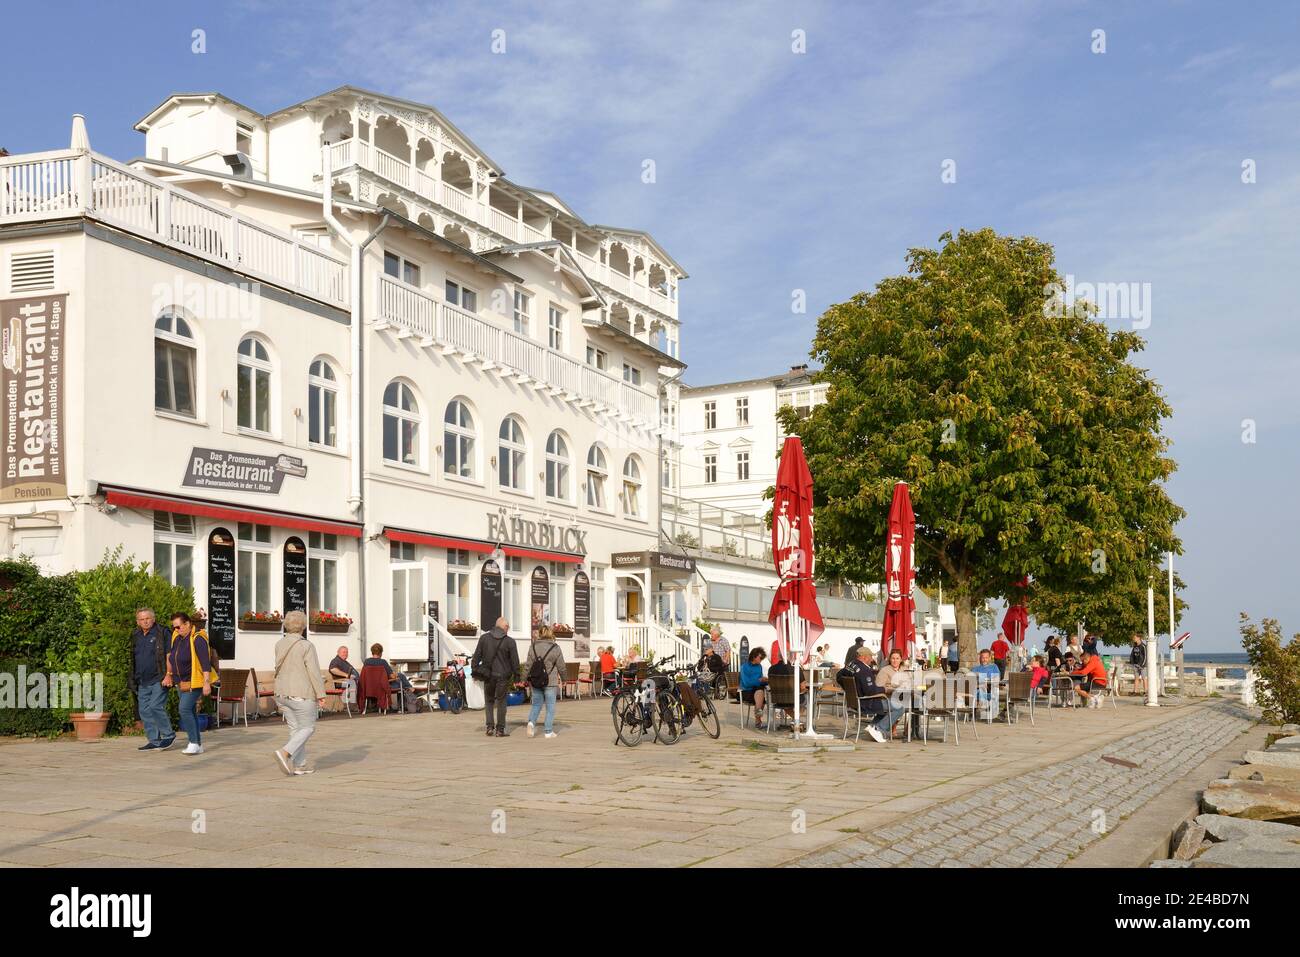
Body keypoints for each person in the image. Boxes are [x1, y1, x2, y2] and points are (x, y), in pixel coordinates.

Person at [272, 610, 325, 775]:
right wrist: (321, 694)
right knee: (308, 728)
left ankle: (299, 765)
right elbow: (314, 672)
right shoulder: (306, 645)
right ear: (303, 626)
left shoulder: (279, 644)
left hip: (282, 693)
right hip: (301, 693)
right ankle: (285, 752)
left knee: (296, 729)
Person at [164, 612, 212, 755]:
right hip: (181, 682)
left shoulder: (198, 639)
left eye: (178, 627)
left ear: (187, 623)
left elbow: (205, 663)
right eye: (174, 627)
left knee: (184, 709)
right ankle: (198, 745)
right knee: (190, 711)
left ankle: (193, 742)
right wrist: (170, 674)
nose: (176, 630)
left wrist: (206, 683)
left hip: (194, 681)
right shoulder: (177, 638)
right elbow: (172, 657)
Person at [131, 608, 176, 752]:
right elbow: (133, 658)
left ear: (153, 619)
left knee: (155, 705)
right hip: (142, 679)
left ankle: (168, 735)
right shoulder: (136, 634)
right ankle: (154, 741)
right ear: (137, 622)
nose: (145, 621)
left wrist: (169, 674)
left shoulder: (162, 632)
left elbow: (170, 654)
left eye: (147, 618)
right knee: (144, 710)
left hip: (159, 677)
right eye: (141, 619)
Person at [473, 617, 520, 737]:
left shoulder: (484, 638)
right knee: (501, 702)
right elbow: (515, 661)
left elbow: (477, 656)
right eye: (508, 627)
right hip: (503, 676)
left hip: (488, 675)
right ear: (504, 627)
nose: (508, 629)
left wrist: (475, 671)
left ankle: (489, 727)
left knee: (489, 701)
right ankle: (500, 730)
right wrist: (517, 677)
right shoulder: (510, 641)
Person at [845, 647, 901, 742]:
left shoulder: (850, 665)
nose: (872, 659)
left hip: (855, 701)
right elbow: (870, 691)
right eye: (870, 656)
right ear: (864, 657)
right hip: (867, 702)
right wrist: (884, 689)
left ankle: (872, 726)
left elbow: (838, 677)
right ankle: (878, 729)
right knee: (899, 707)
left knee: (890, 707)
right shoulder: (864, 670)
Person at [524, 625, 566, 739]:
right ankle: (548, 731)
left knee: (536, 704)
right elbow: (561, 666)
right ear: (550, 634)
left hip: (536, 680)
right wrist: (564, 679)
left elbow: (528, 665)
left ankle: (531, 723)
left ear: (540, 634)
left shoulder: (532, 647)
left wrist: (524, 679)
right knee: (550, 707)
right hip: (550, 682)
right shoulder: (555, 648)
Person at [363, 643, 416, 712]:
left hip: (370, 688)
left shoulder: (366, 662)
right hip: (382, 687)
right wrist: (395, 674)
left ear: (372, 652)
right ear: (381, 653)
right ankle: (405, 700)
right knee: (401, 678)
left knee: (401, 679)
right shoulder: (383, 662)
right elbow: (392, 676)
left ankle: (409, 689)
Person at [767, 651, 811, 729]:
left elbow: (770, 685)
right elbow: (802, 687)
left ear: (778, 657)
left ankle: (795, 720)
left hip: (778, 700)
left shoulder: (771, 669)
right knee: (807, 698)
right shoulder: (796, 669)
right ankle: (797, 721)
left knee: (787, 701)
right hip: (793, 700)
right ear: (791, 658)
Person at [740, 648, 768, 730]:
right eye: (760, 657)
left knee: (760, 690)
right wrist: (759, 680)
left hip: (757, 691)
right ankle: (758, 718)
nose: (761, 659)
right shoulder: (744, 667)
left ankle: (758, 717)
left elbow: (760, 681)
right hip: (746, 691)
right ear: (754, 657)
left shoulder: (759, 666)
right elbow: (746, 683)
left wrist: (765, 680)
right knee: (761, 696)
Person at [970, 649, 1001, 718]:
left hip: (990, 689)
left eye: (986, 658)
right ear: (980, 658)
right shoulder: (975, 668)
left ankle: (998, 713)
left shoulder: (994, 667)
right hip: (977, 690)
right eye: (983, 657)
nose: (984, 660)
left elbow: (997, 679)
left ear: (989, 658)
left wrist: (988, 681)